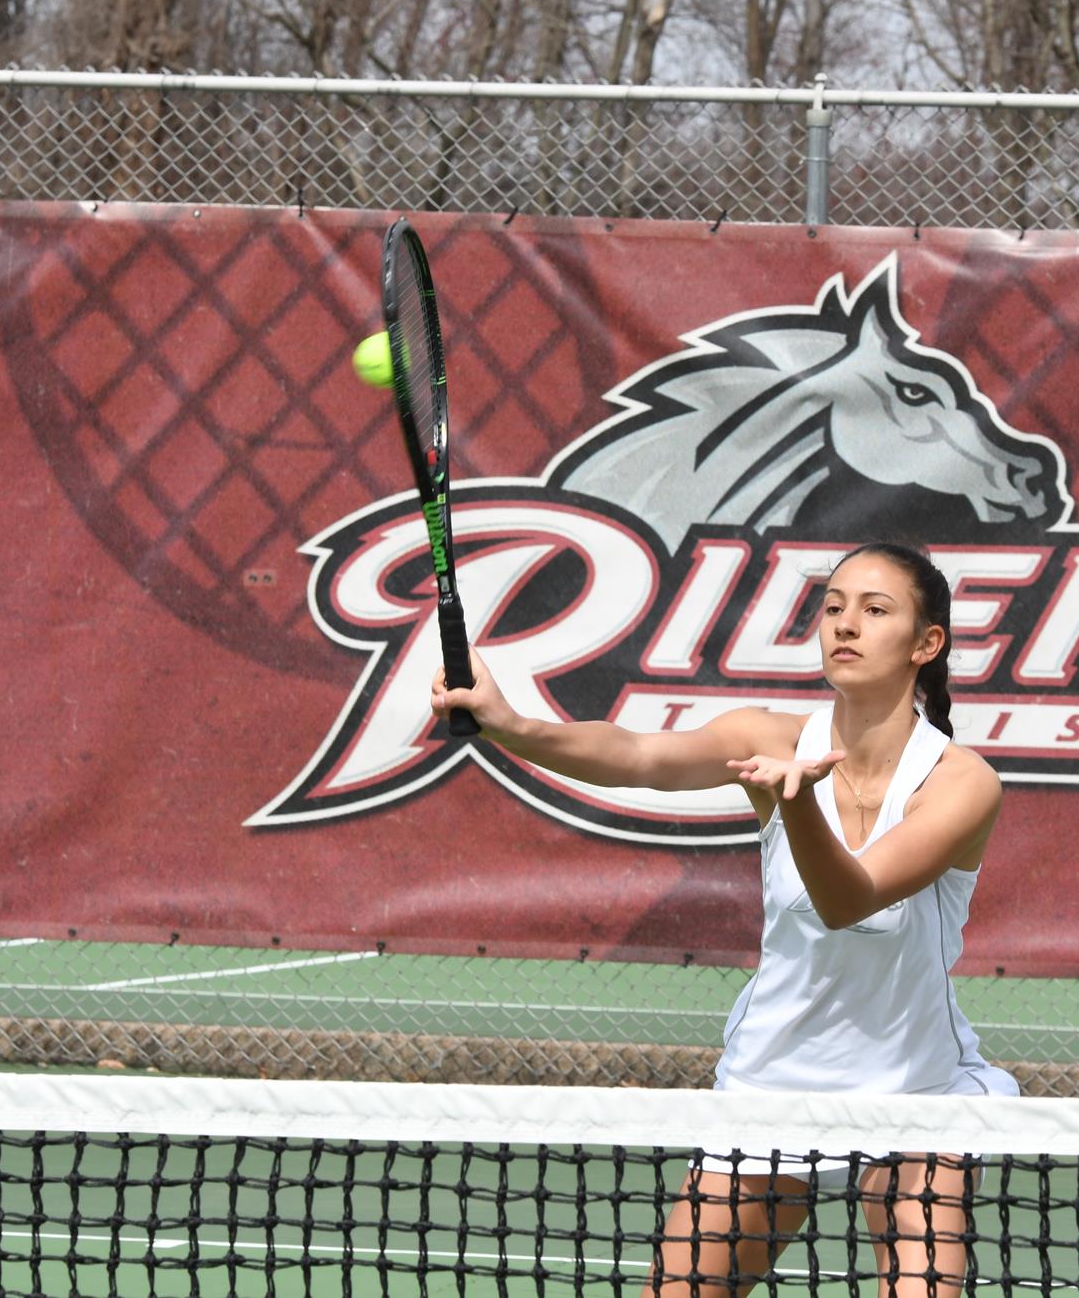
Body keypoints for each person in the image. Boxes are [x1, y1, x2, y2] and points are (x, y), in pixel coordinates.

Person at [431, 541, 1016, 1297]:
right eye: (833, 607)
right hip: (773, 1086)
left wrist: (795, 805)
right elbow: (636, 754)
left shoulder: (961, 783)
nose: (845, 624)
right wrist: (511, 725)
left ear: (925, 643)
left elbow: (851, 897)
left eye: (875, 610)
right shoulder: (766, 740)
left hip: (918, 1092)